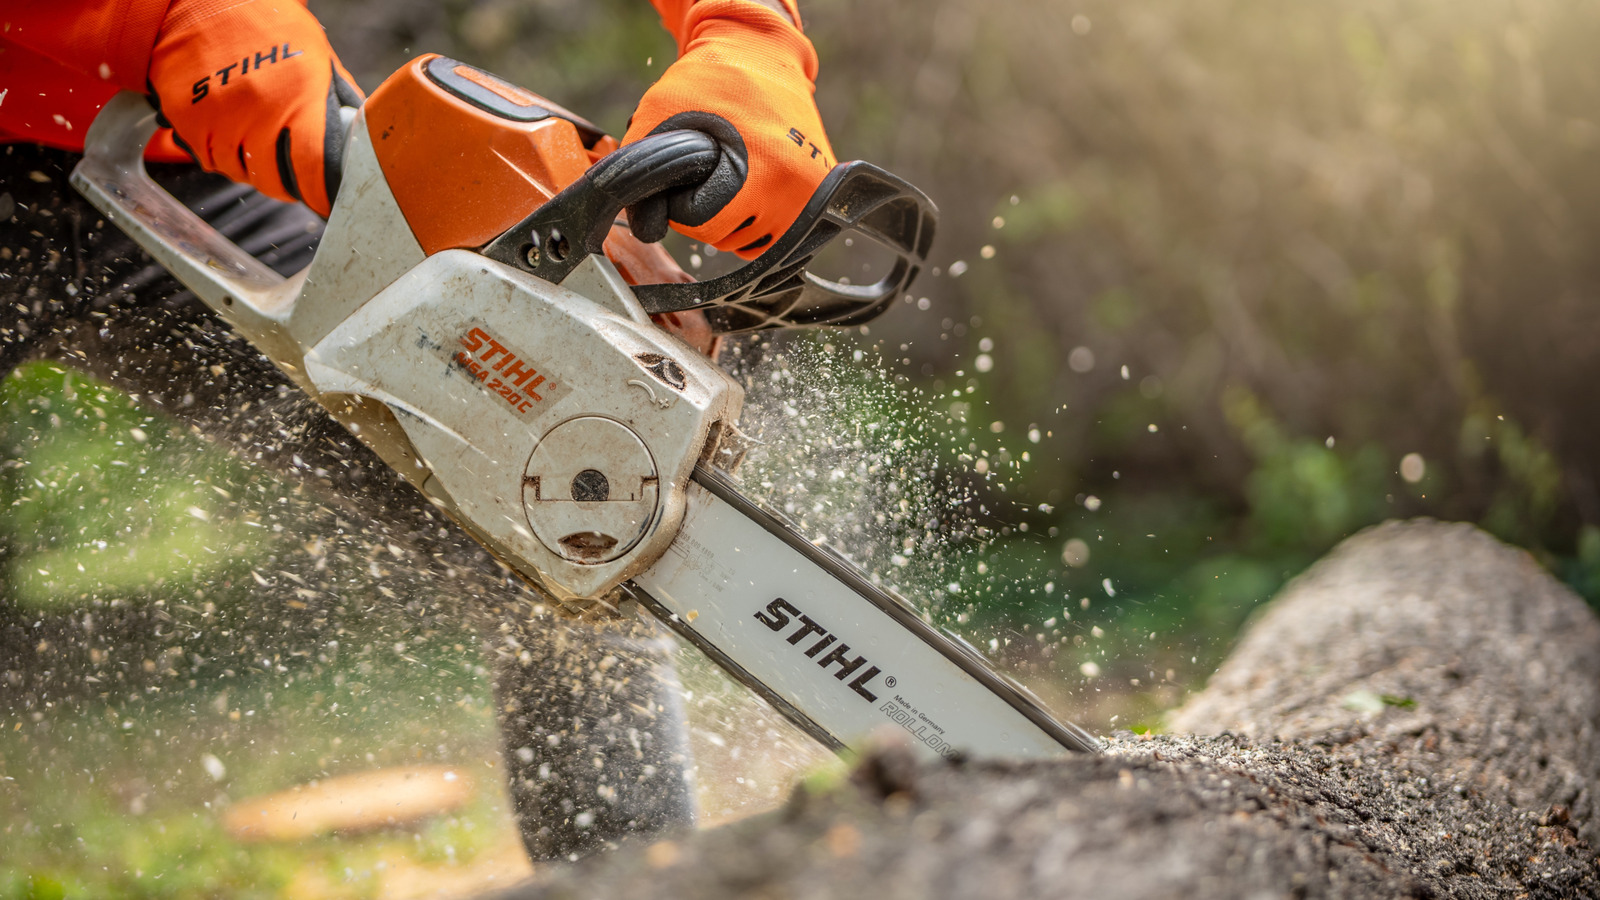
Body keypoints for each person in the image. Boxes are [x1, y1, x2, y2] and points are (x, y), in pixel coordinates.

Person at [0, 0, 836, 863]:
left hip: (186, 147)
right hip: (158, 74)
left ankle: (625, 880)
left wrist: (745, 34)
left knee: (556, 529)